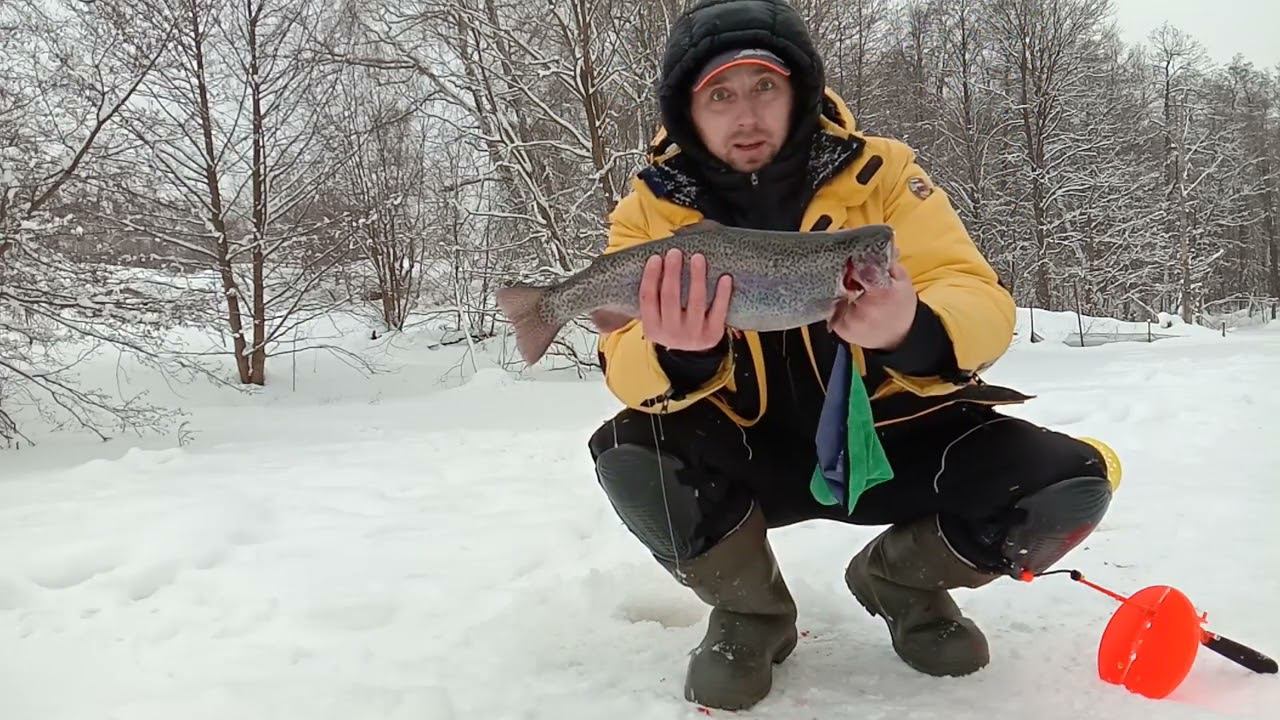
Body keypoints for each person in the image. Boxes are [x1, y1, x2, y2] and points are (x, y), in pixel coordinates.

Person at [586, 0, 1120, 711]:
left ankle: (900, 580)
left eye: (764, 88)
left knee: (1068, 483)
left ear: (800, 91)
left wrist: (914, 328)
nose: (745, 116)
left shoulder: (885, 174)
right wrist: (678, 358)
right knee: (628, 450)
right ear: (688, 111)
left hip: (898, 439)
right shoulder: (651, 210)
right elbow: (620, 352)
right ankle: (752, 614)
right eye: (720, 95)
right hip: (751, 451)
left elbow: (978, 296)